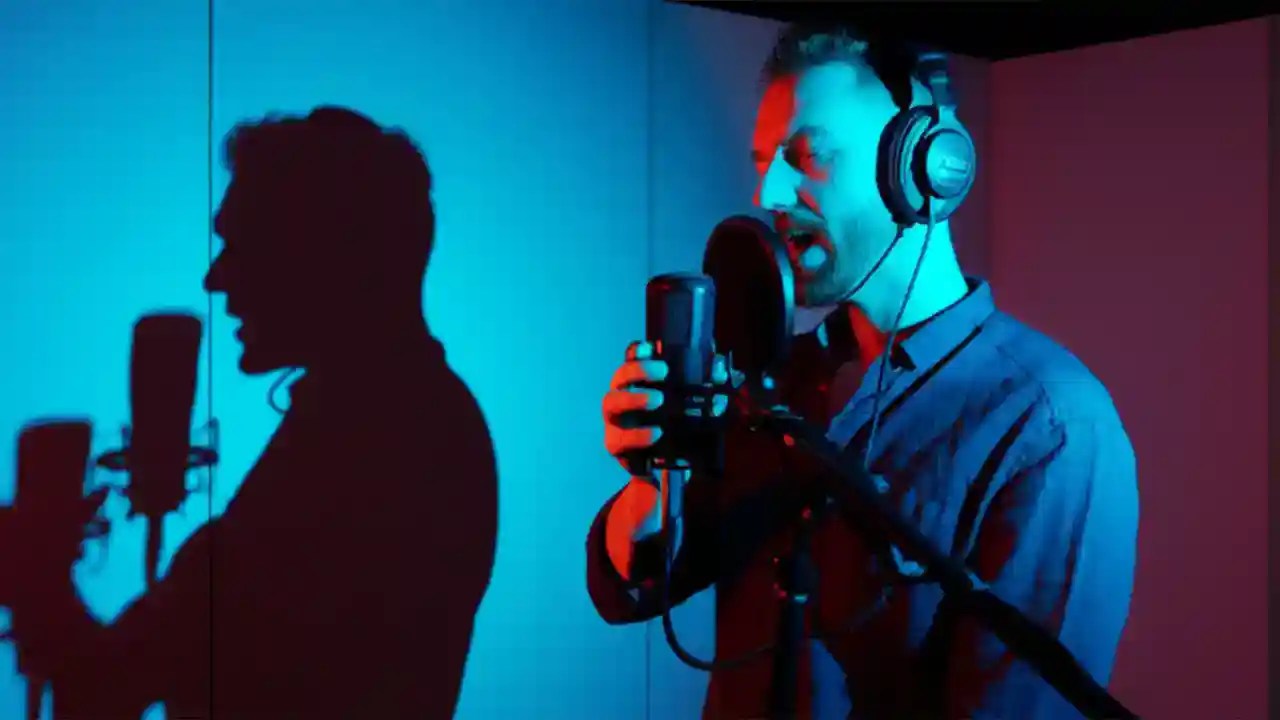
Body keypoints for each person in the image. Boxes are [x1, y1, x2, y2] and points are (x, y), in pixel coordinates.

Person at [586, 24, 1139, 720]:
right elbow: (635, 585)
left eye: (807, 156)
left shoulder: (1049, 427)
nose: (770, 190)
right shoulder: (775, 381)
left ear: (925, 171)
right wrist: (650, 483)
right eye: (764, 163)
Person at [44, 106, 498, 718]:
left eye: (240, 245)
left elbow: (112, 679)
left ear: (327, 253)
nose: (214, 278)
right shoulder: (415, 421)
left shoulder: (370, 445)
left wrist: (35, 575)